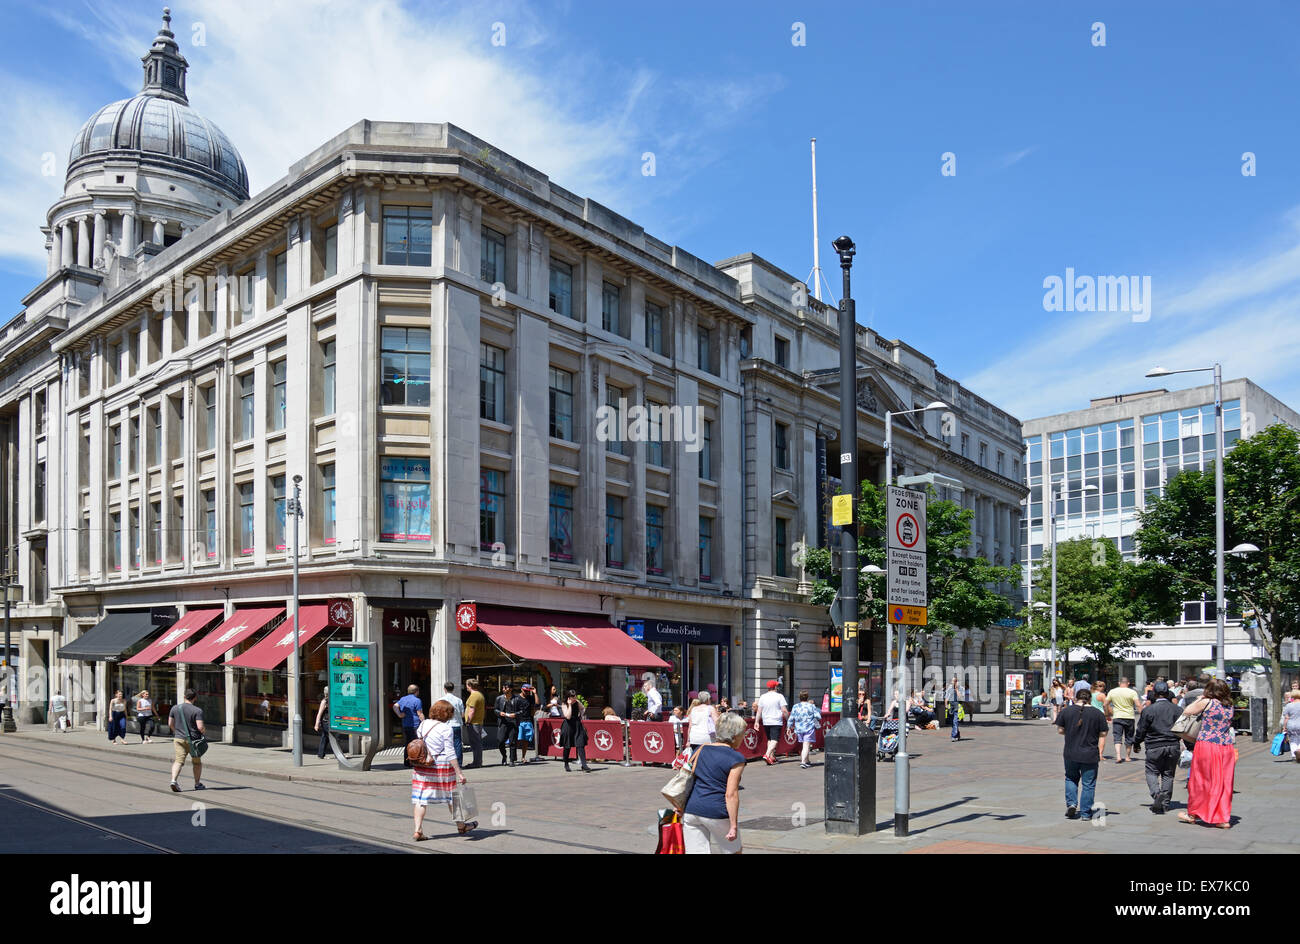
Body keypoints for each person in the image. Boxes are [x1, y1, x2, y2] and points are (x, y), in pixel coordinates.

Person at [681, 710, 747, 854]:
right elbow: (731, 794)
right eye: (743, 734)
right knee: (734, 851)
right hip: (716, 811)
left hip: (692, 810)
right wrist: (733, 825)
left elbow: (689, 779)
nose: (743, 738)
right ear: (735, 736)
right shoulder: (736, 758)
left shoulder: (700, 749)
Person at [410, 701, 476, 840]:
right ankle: (461, 826)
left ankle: (418, 830)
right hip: (441, 765)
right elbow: (450, 752)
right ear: (446, 714)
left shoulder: (424, 724)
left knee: (421, 799)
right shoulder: (446, 729)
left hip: (423, 765)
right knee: (452, 797)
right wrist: (459, 772)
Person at [1180, 678, 1236, 828]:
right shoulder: (1230, 705)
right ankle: (1222, 818)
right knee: (1224, 783)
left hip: (1207, 745)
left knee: (1201, 780)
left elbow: (1187, 711)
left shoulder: (1207, 702)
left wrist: (1199, 699)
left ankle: (1193, 813)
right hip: (1226, 746)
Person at [1056, 684, 1106, 820]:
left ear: (1076, 698)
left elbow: (1060, 730)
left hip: (1071, 752)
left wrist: (1070, 732)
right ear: (1090, 699)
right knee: (1088, 784)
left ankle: (1072, 804)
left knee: (1071, 778)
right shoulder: (1097, 714)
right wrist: (1100, 752)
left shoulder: (1066, 711)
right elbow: (1103, 734)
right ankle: (1085, 813)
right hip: (1090, 753)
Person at [1133, 681, 1181, 814]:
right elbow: (1183, 729)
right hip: (1173, 745)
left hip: (1154, 746)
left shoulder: (1149, 710)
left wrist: (1136, 743)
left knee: (1151, 772)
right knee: (1168, 775)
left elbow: (1141, 729)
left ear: (1154, 694)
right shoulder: (1177, 709)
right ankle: (1165, 803)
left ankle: (1156, 794)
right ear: (1168, 693)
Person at [167, 688, 206, 792]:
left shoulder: (175, 708)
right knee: (197, 763)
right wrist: (203, 732)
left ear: (184, 696)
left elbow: (170, 724)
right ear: (195, 698)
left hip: (178, 739)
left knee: (178, 761)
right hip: (193, 741)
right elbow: (200, 727)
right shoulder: (197, 710)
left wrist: (177, 732)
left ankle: (173, 781)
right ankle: (197, 784)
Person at [1105, 677, 1141, 763]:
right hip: (1129, 716)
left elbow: (1105, 704)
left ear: (1119, 683)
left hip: (1117, 716)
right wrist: (1142, 715)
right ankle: (1128, 756)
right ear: (1128, 683)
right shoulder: (1132, 692)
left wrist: (1107, 714)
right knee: (1129, 737)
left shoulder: (1112, 691)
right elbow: (1138, 704)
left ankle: (1118, 756)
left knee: (1117, 736)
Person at [755, 680, 788, 765]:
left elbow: (759, 711)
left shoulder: (762, 696)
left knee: (770, 739)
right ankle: (767, 754)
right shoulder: (779, 696)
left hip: (766, 721)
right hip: (776, 720)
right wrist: (788, 720)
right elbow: (784, 710)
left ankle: (771, 756)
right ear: (775, 687)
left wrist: (756, 721)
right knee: (775, 740)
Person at [787, 690, 822, 769]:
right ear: (807, 697)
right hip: (809, 727)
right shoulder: (811, 706)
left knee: (804, 745)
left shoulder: (795, 706)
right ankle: (803, 762)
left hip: (799, 728)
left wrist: (788, 727)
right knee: (806, 745)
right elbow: (818, 716)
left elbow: (791, 718)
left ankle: (807, 760)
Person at [393, 684, 424, 768]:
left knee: (408, 743)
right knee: (416, 744)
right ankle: (415, 761)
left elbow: (395, 706)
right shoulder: (417, 700)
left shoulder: (403, 699)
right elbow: (419, 713)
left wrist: (399, 714)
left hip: (406, 725)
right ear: (416, 691)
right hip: (415, 725)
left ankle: (407, 762)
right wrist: (424, 722)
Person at [435, 681, 466, 766]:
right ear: (453, 689)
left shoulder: (440, 700)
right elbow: (462, 714)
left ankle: (446, 762)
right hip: (456, 724)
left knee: (445, 744)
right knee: (457, 744)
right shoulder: (458, 700)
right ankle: (458, 763)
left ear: (444, 689)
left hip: (445, 725)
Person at [559, 690, 590, 772]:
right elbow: (568, 716)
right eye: (573, 697)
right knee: (567, 746)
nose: (574, 698)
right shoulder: (564, 704)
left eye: (575, 696)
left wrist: (579, 704)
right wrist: (569, 704)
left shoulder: (577, 702)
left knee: (581, 744)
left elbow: (583, 709)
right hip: (568, 725)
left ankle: (584, 765)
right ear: (569, 697)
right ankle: (566, 764)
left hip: (577, 724)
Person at [495, 684, 522, 766]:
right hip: (503, 722)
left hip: (513, 722)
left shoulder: (517, 699)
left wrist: (516, 714)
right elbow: (495, 710)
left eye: (505, 687)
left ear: (510, 689)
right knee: (500, 741)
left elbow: (521, 711)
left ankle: (512, 760)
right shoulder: (499, 698)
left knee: (512, 742)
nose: (504, 689)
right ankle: (504, 756)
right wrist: (500, 713)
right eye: (503, 687)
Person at [463, 678, 485, 768]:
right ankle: (477, 762)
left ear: (470, 686)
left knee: (475, 743)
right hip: (478, 722)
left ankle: (476, 763)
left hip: (474, 723)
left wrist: (468, 722)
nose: (466, 687)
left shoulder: (474, 696)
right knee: (477, 743)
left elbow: (472, 711)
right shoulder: (479, 695)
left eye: (467, 685)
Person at [516, 684, 538, 764]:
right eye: (525, 691)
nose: (527, 693)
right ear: (521, 689)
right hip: (519, 721)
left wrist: (535, 693)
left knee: (526, 741)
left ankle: (523, 757)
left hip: (528, 720)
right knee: (518, 739)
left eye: (528, 691)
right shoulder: (516, 698)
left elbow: (537, 704)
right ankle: (513, 755)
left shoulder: (530, 698)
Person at [1091, 681, 1109, 759]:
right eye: (1102, 686)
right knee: (1102, 735)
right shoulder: (1102, 695)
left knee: (1092, 735)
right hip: (1101, 715)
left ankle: (1092, 752)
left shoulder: (1090, 695)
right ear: (1100, 687)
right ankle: (1100, 754)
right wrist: (1107, 715)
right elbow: (1105, 705)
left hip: (1091, 715)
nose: (1103, 688)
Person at [1281, 691, 1300, 763]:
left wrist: (1284, 727)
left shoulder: (1289, 706)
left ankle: (1294, 756)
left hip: (1291, 725)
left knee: (1292, 741)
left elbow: (1286, 718)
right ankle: (1299, 751)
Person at [944, 676, 962, 742]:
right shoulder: (949, 688)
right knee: (952, 722)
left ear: (956, 682)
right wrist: (946, 704)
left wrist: (956, 690)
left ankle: (953, 736)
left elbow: (960, 697)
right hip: (950, 706)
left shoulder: (960, 688)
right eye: (951, 681)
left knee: (955, 721)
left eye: (953, 681)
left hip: (957, 706)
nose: (952, 682)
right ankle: (957, 733)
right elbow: (946, 697)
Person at [314, 690, 331, 759]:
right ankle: (339, 755)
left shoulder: (331, 700)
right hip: (326, 722)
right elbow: (319, 713)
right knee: (333, 737)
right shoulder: (324, 701)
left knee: (325, 738)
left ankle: (321, 754)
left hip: (330, 721)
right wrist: (317, 724)